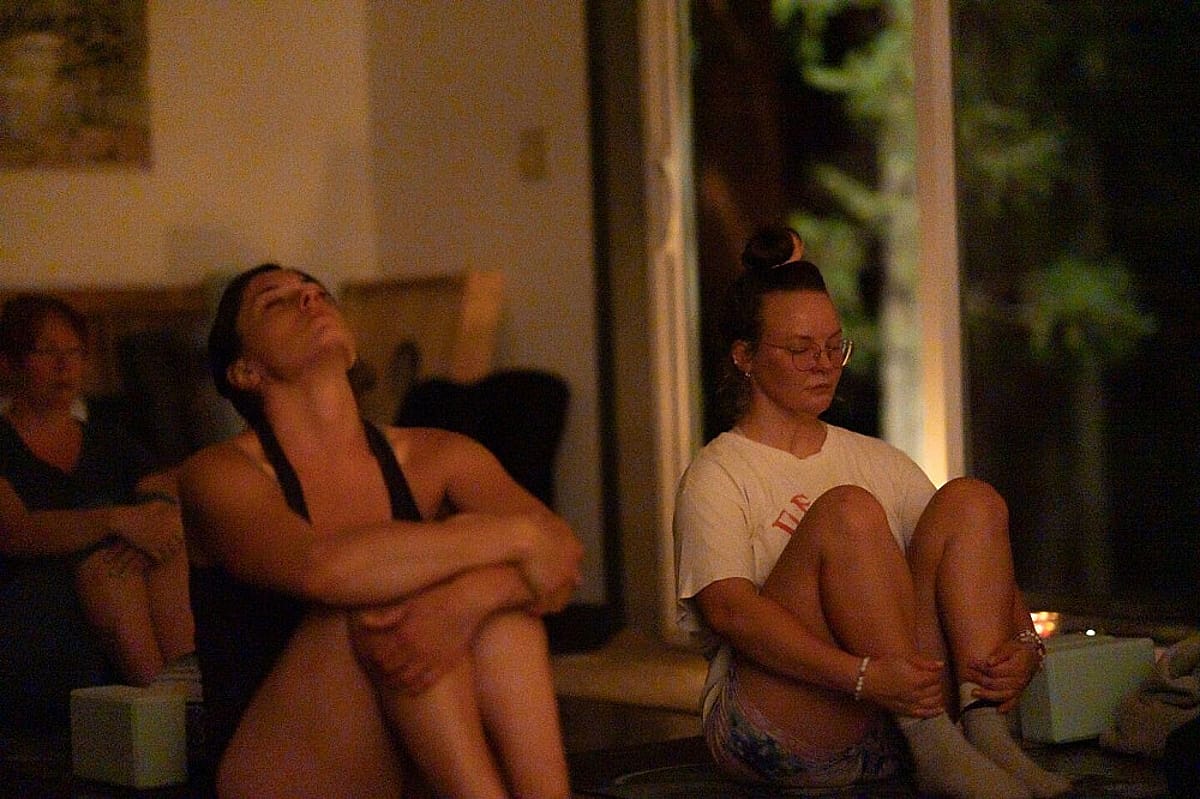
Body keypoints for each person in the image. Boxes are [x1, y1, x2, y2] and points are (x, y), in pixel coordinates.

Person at [673, 226, 1072, 798]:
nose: (824, 364)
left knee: (971, 499)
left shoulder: (875, 458)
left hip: (897, 708)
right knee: (848, 514)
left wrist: (1024, 644)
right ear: (745, 357)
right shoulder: (719, 474)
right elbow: (732, 613)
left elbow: (971, 557)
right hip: (779, 719)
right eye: (800, 349)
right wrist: (864, 678)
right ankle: (934, 743)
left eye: (835, 346)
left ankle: (985, 731)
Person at [180, 263, 583, 798]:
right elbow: (320, 569)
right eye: (277, 301)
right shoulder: (218, 474)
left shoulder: (437, 454)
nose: (308, 300)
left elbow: (561, 555)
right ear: (245, 370)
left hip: (397, 756)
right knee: (383, 602)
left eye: (317, 292)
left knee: (495, 611)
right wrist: (512, 539)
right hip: (277, 770)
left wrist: (463, 603)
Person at [0, 293, 197, 728]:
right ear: (9, 363)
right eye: (45, 351)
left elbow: (164, 489)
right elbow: (15, 532)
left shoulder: (107, 437)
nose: (64, 365)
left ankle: (191, 699)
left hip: (123, 574)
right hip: (31, 589)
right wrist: (116, 521)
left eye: (73, 352)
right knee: (110, 568)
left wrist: (155, 520)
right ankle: (165, 710)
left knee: (167, 549)